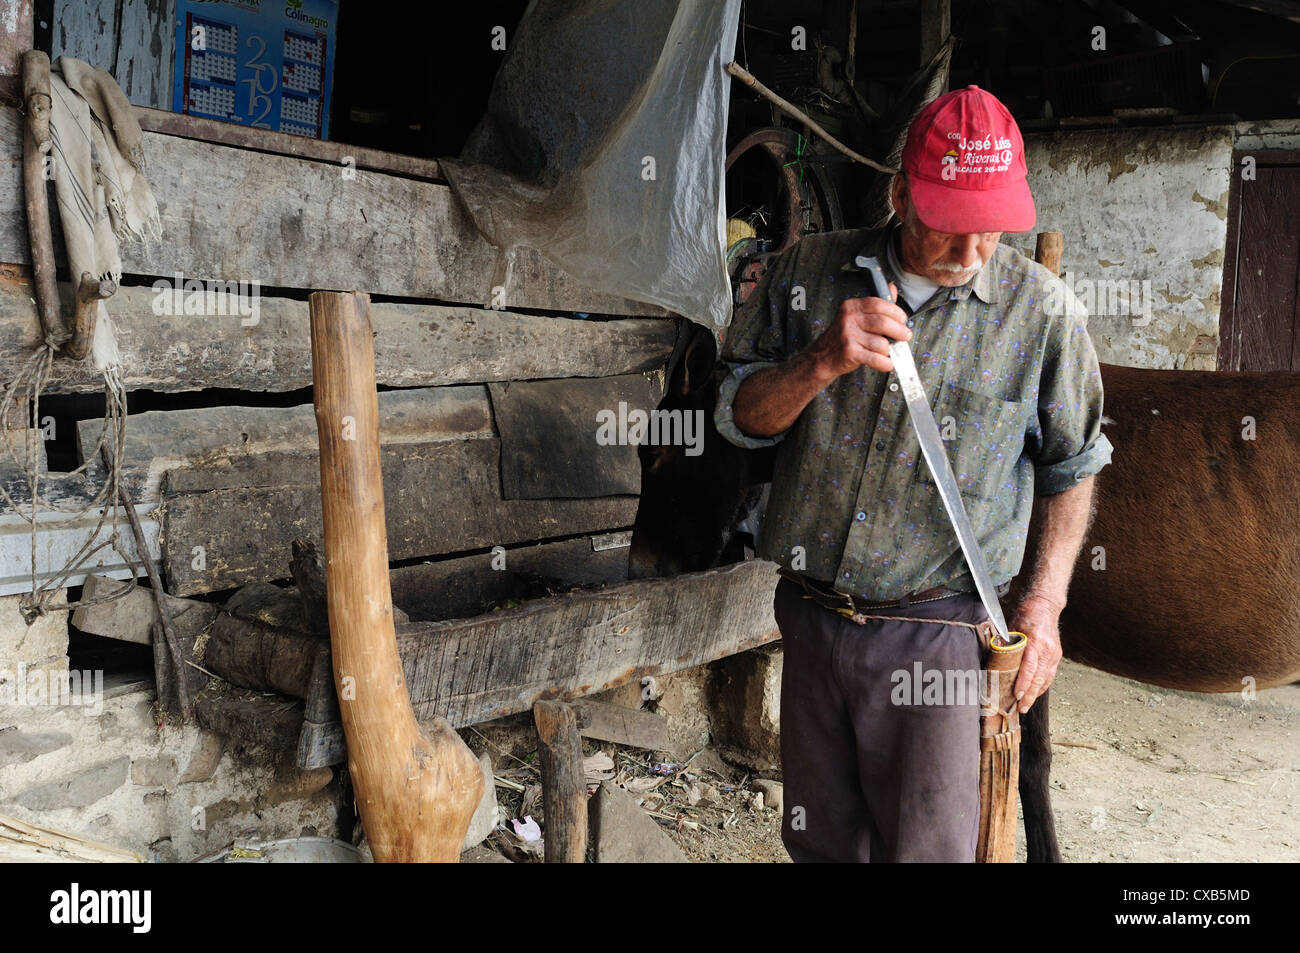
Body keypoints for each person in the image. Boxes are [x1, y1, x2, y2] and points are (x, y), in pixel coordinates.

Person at [713, 85, 1112, 862]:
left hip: (940, 636)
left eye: (990, 229)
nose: (969, 253)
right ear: (900, 194)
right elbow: (738, 415)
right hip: (813, 618)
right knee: (823, 844)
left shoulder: (1043, 316)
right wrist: (819, 362)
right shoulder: (808, 275)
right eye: (949, 227)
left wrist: (1046, 605)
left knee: (928, 850)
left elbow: (1075, 463)